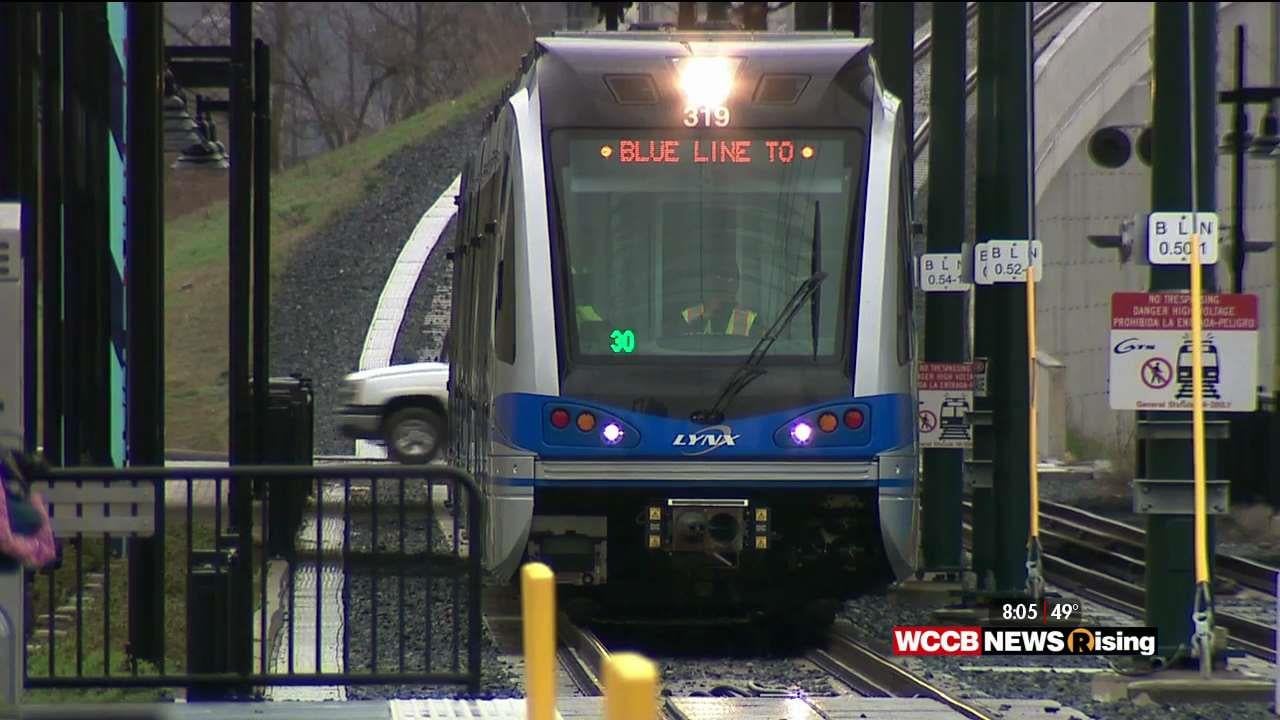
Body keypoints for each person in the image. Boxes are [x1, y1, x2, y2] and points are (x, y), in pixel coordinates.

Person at [679, 264, 759, 337]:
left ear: (737, 285)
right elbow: (677, 342)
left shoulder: (750, 319)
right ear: (711, 283)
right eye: (718, 278)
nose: (724, 284)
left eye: (730, 279)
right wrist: (704, 317)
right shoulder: (689, 315)